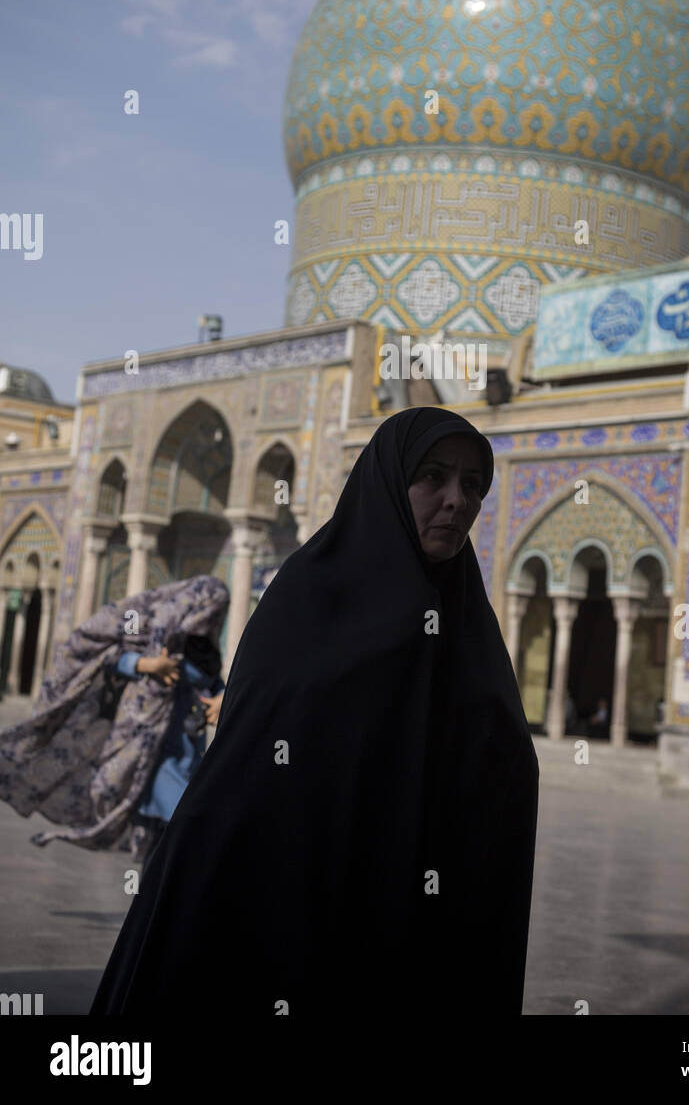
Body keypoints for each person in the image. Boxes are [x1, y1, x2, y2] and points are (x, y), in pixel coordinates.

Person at [90, 406, 539, 1018]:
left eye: (472, 485)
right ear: (386, 483)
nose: (457, 500)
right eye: (433, 477)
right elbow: (249, 775)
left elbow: (499, 768)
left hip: (416, 924)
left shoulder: (467, 624)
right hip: (298, 908)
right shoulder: (311, 599)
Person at [0, 576, 229, 856]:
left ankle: (153, 896)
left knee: (164, 840)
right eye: (211, 607)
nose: (213, 616)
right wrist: (146, 664)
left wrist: (223, 698)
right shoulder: (150, 626)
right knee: (184, 821)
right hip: (143, 747)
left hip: (186, 751)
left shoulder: (204, 648)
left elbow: (211, 683)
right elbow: (102, 655)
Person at [116, 632, 225, 873]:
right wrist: (148, 664)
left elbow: (117, 661)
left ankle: (149, 905)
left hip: (181, 766)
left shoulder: (202, 671)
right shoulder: (174, 656)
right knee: (179, 834)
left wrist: (223, 699)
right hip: (167, 766)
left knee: (163, 849)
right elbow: (116, 660)